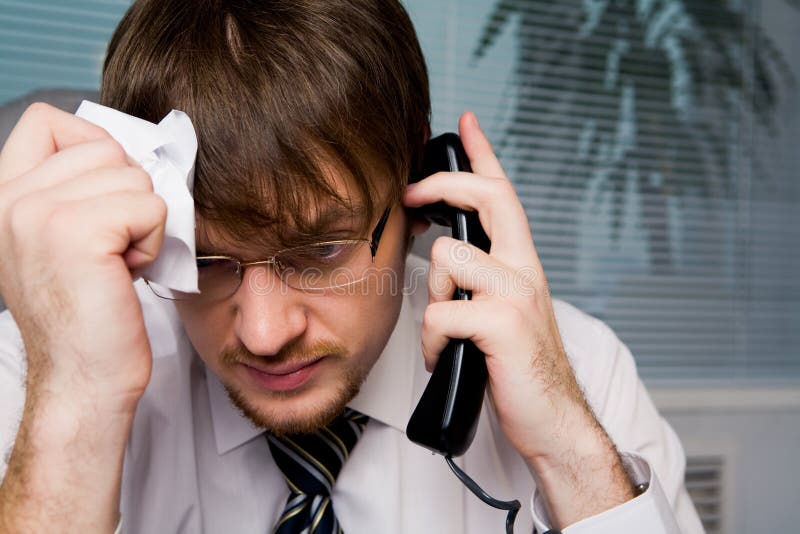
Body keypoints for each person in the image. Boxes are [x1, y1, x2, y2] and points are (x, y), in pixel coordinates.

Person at [0, 1, 703, 533]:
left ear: (424, 199)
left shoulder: (579, 367)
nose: (267, 333)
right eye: (207, 261)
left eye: (319, 252)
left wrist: (565, 447)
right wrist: (76, 405)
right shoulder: (39, 371)